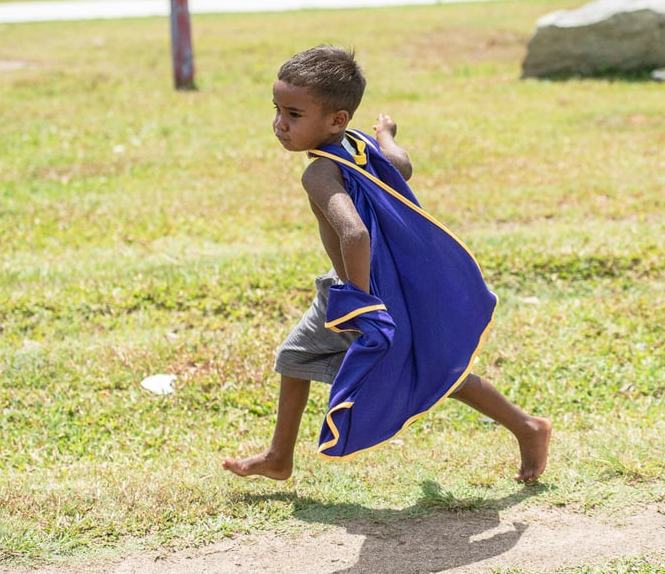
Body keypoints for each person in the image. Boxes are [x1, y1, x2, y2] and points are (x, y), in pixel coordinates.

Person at [222, 45, 551, 484]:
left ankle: (279, 457)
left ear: (336, 119)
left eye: (294, 114)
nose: (280, 123)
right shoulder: (358, 143)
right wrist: (387, 136)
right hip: (391, 286)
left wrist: (360, 304)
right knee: (424, 368)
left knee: (300, 357)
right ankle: (526, 426)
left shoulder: (319, 173)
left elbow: (354, 234)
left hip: (360, 293)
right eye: (277, 109)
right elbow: (401, 167)